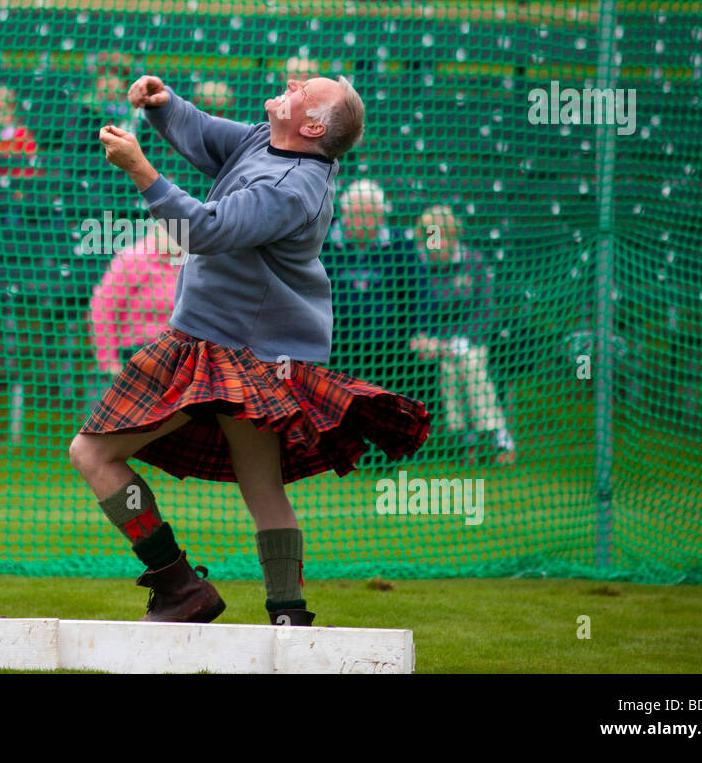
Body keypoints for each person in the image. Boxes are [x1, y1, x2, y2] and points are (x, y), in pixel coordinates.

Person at [68, 72, 431, 627]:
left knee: (91, 455)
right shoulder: (265, 138)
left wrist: (141, 170)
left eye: (305, 88)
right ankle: (288, 615)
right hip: (225, 344)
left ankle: (177, 585)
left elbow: (204, 231)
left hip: (235, 350)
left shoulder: (292, 189)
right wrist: (165, 107)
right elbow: (207, 134)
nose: (291, 81)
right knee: (262, 488)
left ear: (311, 125)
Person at [409, 204, 517, 466]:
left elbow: (485, 310)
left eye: (441, 236)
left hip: (473, 341)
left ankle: (490, 435)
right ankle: (476, 438)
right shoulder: (416, 267)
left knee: (466, 364)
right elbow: (416, 308)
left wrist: (463, 341)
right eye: (429, 236)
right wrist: (426, 337)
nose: (436, 243)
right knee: (450, 366)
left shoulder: (474, 262)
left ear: (453, 236)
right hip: (437, 343)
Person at [325, 179, 429, 396]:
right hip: (337, 345)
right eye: (355, 212)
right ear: (343, 212)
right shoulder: (323, 243)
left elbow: (419, 289)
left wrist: (420, 331)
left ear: (382, 216)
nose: (362, 220)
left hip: (389, 348)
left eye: (369, 213)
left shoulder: (400, 245)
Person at [89, 225, 183, 377]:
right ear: (155, 228)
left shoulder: (189, 261)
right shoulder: (133, 258)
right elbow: (102, 309)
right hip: (138, 353)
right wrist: (108, 360)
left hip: (179, 355)